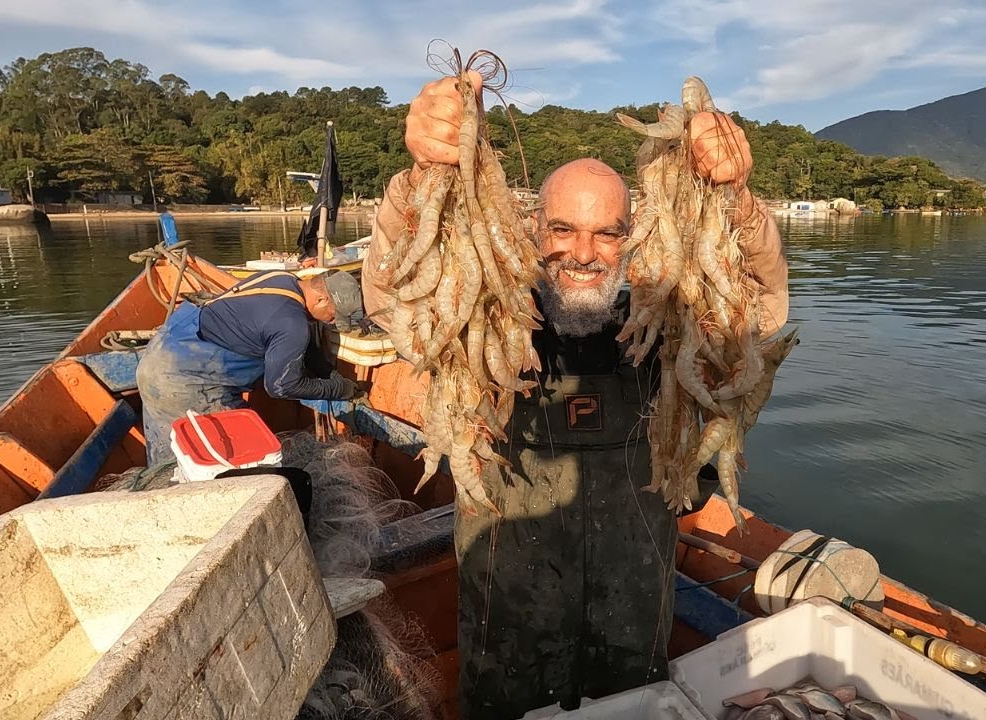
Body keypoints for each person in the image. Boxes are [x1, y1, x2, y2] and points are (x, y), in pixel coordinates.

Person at [362, 71, 789, 719]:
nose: (582, 253)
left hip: (631, 624)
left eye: (606, 234)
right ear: (535, 229)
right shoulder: (485, 321)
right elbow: (396, 297)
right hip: (508, 628)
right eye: (562, 229)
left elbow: (756, 314)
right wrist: (423, 179)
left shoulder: (668, 329)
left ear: (630, 239)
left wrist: (733, 199)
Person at [137, 269, 366, 465]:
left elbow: (298, 343)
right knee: (231, 460)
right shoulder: (291, 324)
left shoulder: (284, 279)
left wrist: (328, 372)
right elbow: (281, 386)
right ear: (321, 300)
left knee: (169, 453)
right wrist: (337, 390)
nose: (332, 323)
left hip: (158, 355)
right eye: (333, 317)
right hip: (184, 380)